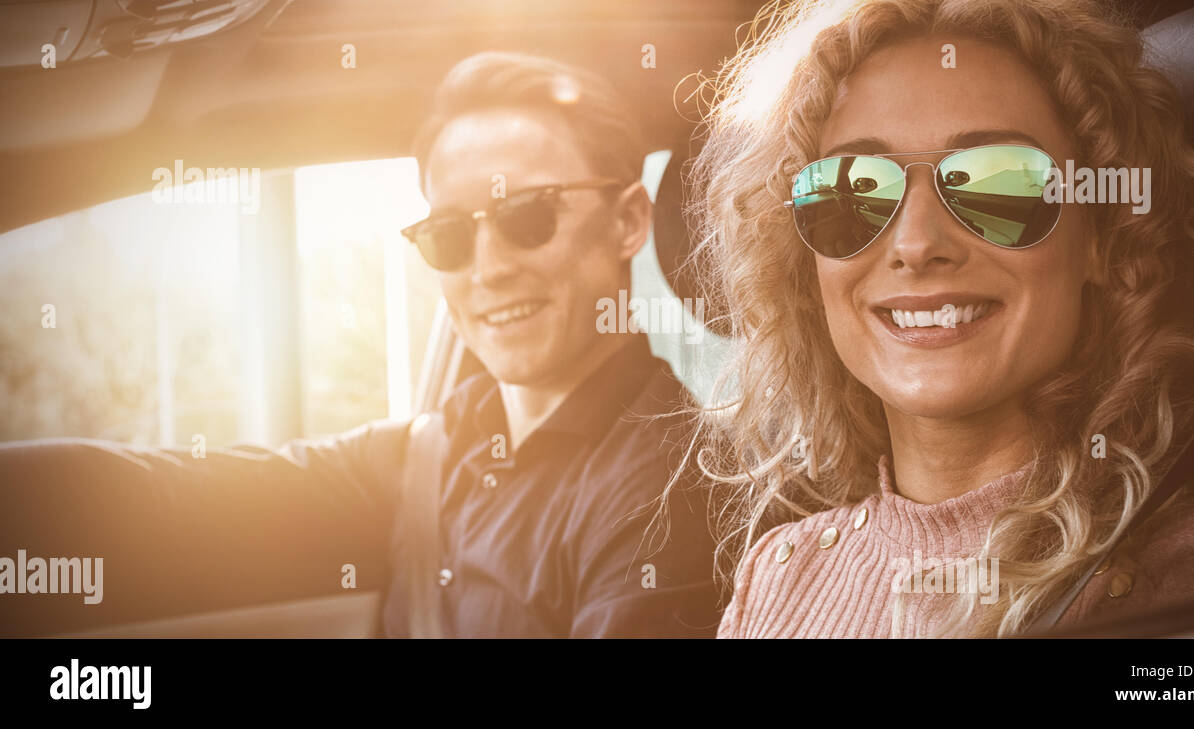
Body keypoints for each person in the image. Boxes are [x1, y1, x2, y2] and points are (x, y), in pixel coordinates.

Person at [0, 52, 721, 638]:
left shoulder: (669, 487)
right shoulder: (436, 449)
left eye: (527, 214)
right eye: (450, 234)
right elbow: (171, 500)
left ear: (629, 221)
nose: (488, 266)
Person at [681, 0, 1194, 638]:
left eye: (999, 183)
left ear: (1103, 240)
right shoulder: (779, 579)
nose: (916, 243)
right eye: (851, 189)